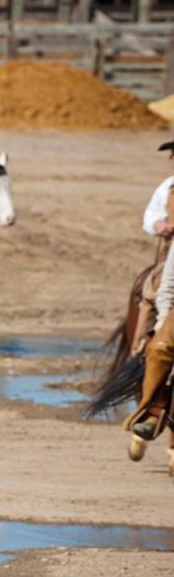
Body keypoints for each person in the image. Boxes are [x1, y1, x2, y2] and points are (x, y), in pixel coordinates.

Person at [126, 140, 174, 440]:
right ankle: (152, 411)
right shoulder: (169, 187)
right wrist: (159, 225)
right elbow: (149, 216)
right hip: (169, 253)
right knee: (149, 298)